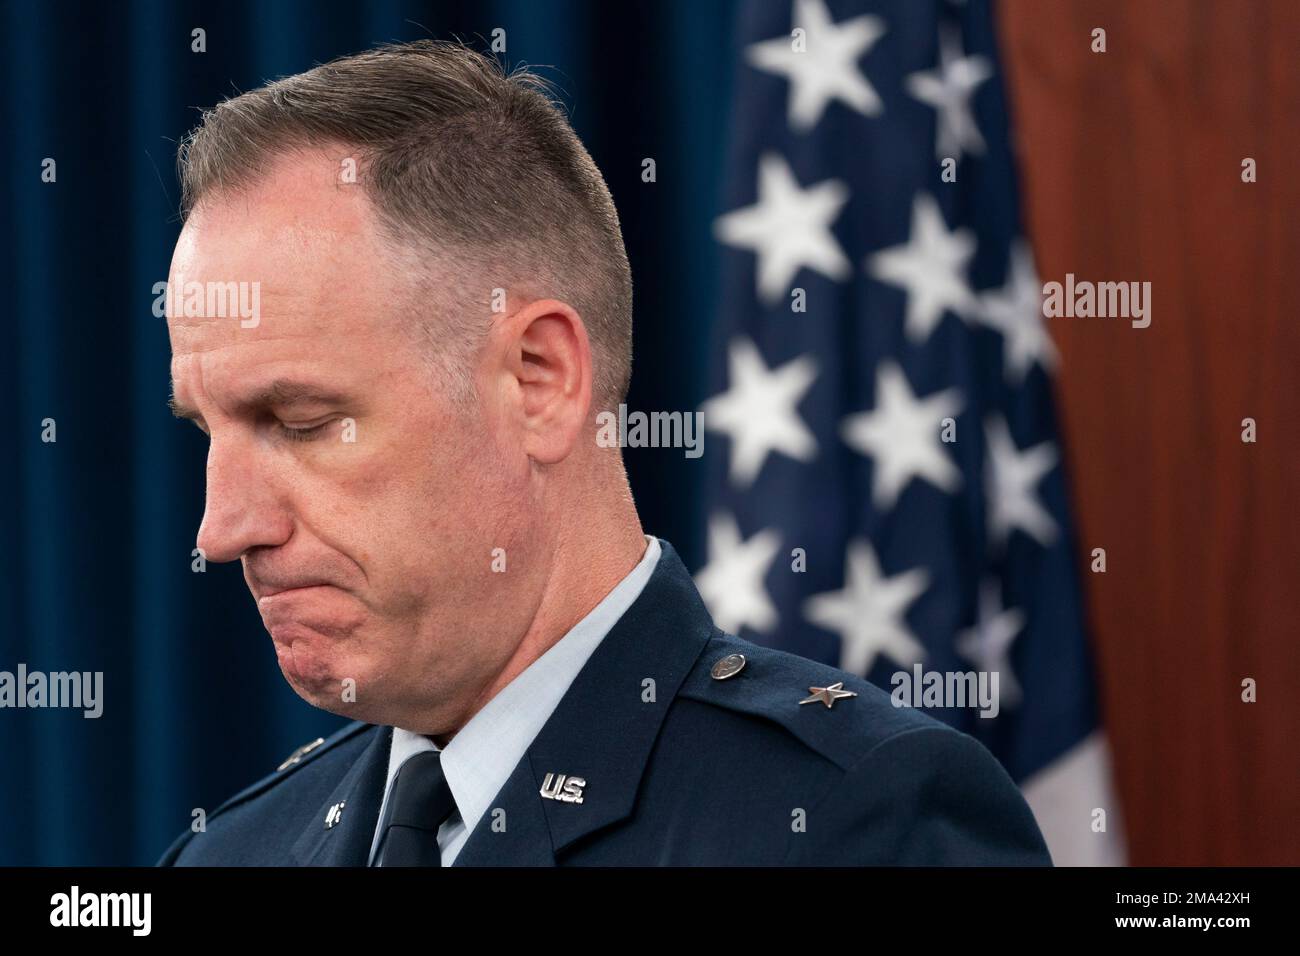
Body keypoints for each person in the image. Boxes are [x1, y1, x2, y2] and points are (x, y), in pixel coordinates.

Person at [156, 40, 1051, 867]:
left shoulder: (854, 822)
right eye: (209, 431)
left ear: (539, 380)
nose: (222, 529)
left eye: (303, 420)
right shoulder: (230, 855)